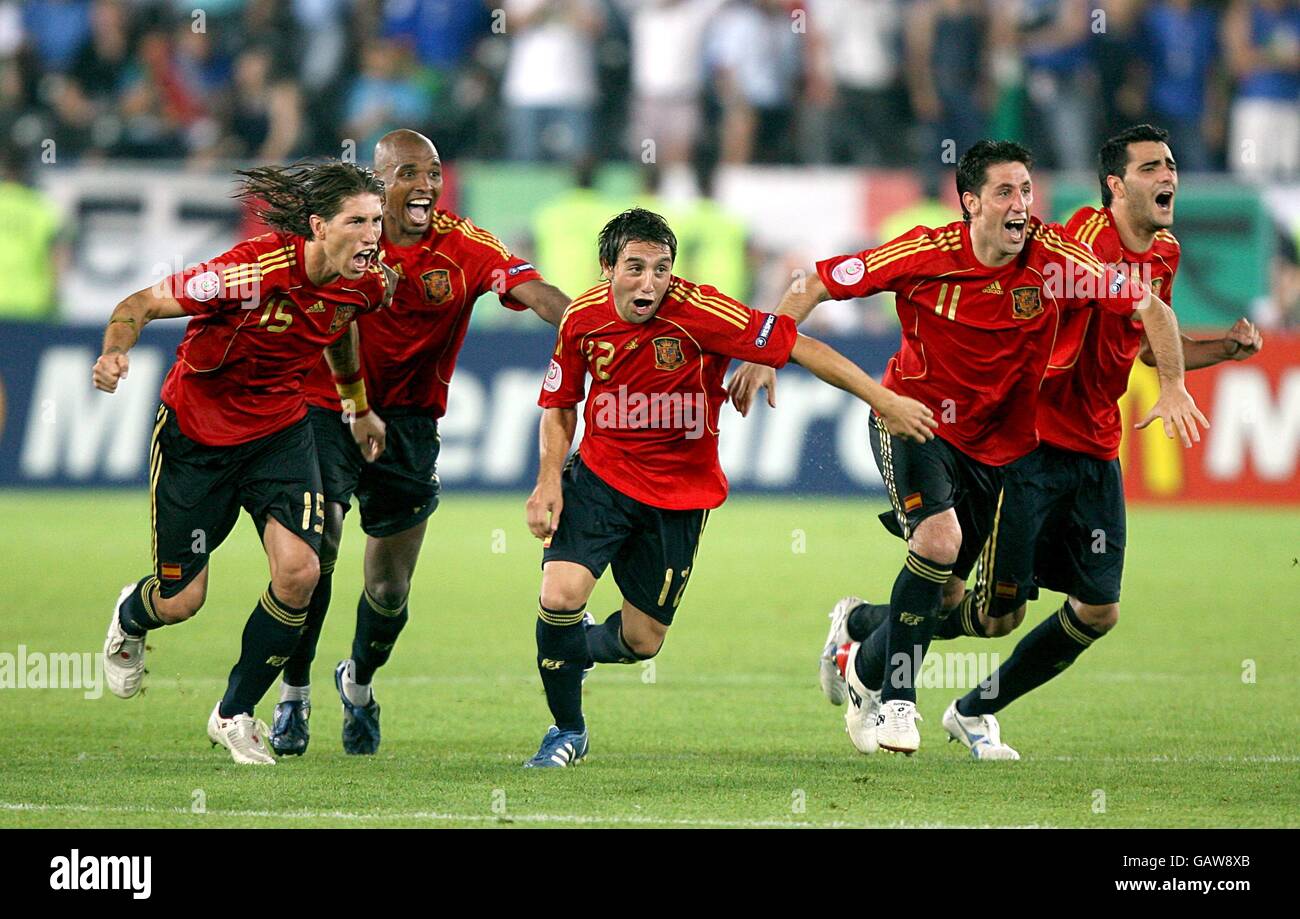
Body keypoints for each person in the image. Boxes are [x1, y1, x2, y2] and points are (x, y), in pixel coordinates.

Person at [728, 140, 1206, 756]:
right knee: (937, 541)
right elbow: (813, 282)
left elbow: (1150, 306)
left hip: (995, 452)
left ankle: (857, 637)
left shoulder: (1056, 260)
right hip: (913, 420)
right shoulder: (925, 252)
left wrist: (1173, 385)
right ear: (971, 203)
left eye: (1026, 191)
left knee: (952, 602)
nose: (1021, 205)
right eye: (1005, 192)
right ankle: (899, 701)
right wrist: (766, 352)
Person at [521, 207, 937, 767]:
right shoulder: (582, 319)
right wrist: (548, 480)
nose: (649, 283)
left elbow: (800, 347)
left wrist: (882, 399)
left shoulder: (703, 311)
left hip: (677, 499)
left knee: (642, 641)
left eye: (661, 269)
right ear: (607, 267)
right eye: (635, 268)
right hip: (600, 479)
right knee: (559, 596)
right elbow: (560, 405)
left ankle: (579, 648)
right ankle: (567, 731)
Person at [276, 129, 573, 755]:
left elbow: (537, 294)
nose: (425, 186)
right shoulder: (347, 238)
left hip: (410, 429)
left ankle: (357, 682)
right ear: (378, 181)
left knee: (389, 589)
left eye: (433, 173)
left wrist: (592, 327)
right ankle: (293, 695)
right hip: (327, 410)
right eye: (409, 173)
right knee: (317, 546)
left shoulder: (466, 247)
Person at [94, 161, 394, 765]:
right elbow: (140, 302)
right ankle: (132, 614)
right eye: (356, 222)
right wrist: (113, 353)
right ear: (318, 226)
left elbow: (339, 325)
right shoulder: (249, 271)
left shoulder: (369, 283)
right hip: (197, 436)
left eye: (376, 222)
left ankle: (234, 713)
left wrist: (356, 404)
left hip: (280, 434)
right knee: (181, 601)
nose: (371, 236)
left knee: (301, 573)